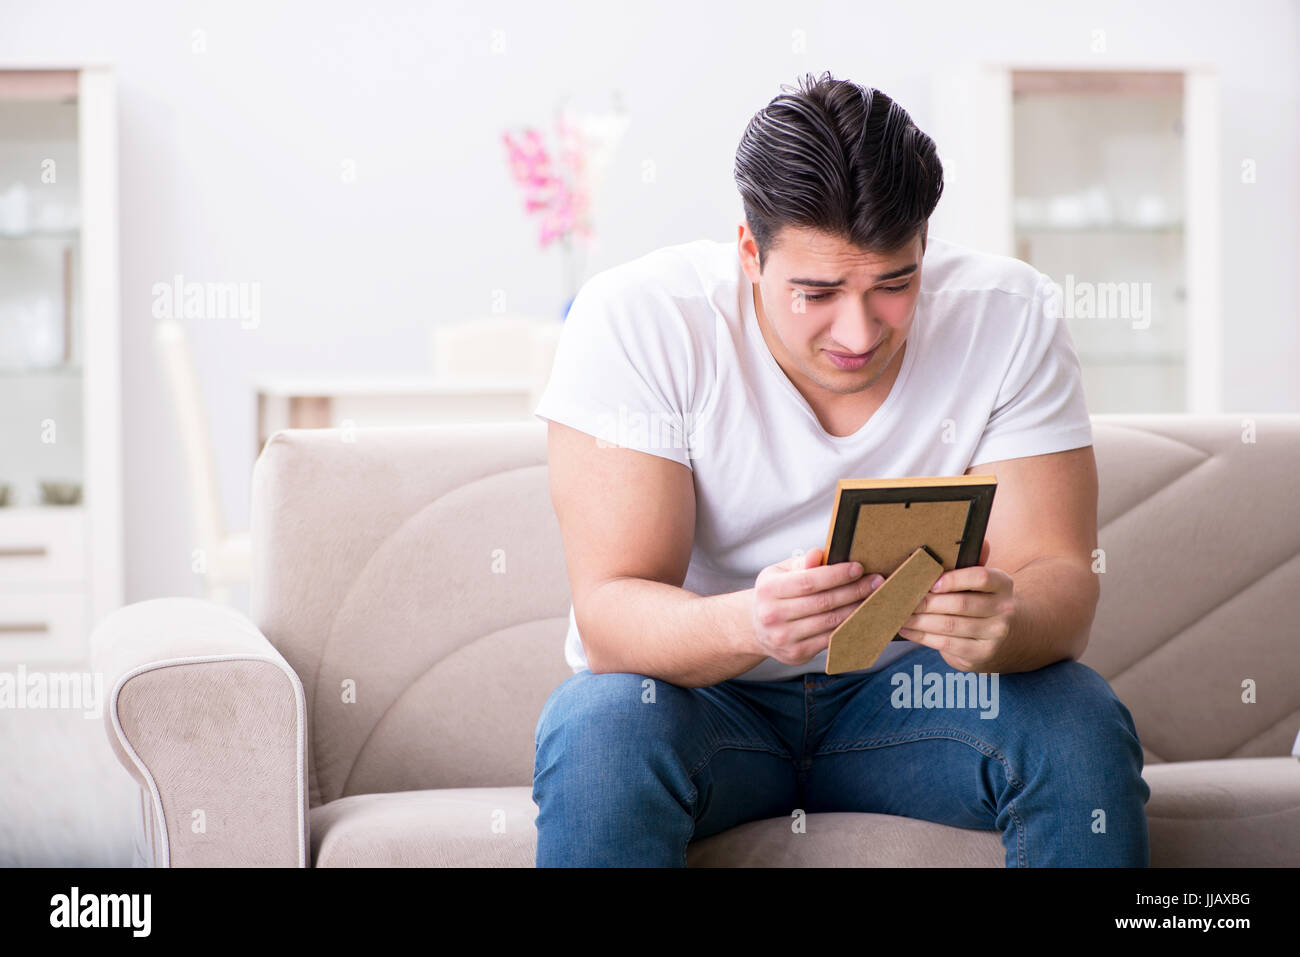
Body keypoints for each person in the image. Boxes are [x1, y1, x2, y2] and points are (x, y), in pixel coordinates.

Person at [531, 70, 1150, 867]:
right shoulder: (641, 321)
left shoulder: (1009, 314)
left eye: (895, 283)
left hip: (917, 697)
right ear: (750, 252)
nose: (858, 330)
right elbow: (611, 610)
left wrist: (1007, 622)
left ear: (925, 243)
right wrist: (751, 623)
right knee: (602, 728)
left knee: (1075, 716)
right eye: (817, 291)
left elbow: (1061, 579)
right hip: (702, 702)